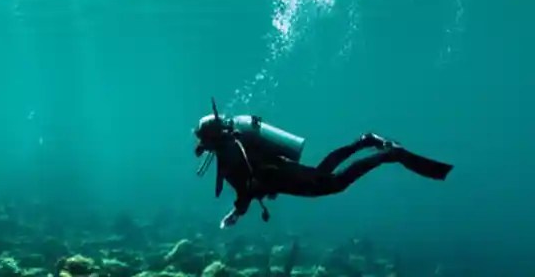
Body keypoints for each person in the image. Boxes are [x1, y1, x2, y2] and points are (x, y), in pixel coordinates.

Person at [192, 99, 454, 228]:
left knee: (335, 183)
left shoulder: (228, 154)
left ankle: (388, 155)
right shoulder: (235, 140)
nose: (202, 146)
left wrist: (236, 214)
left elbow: (244, 189)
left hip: (284, 177)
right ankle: (364, 141)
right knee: (323, 172)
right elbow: (249, 179)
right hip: (284, 170)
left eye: (203, 140)